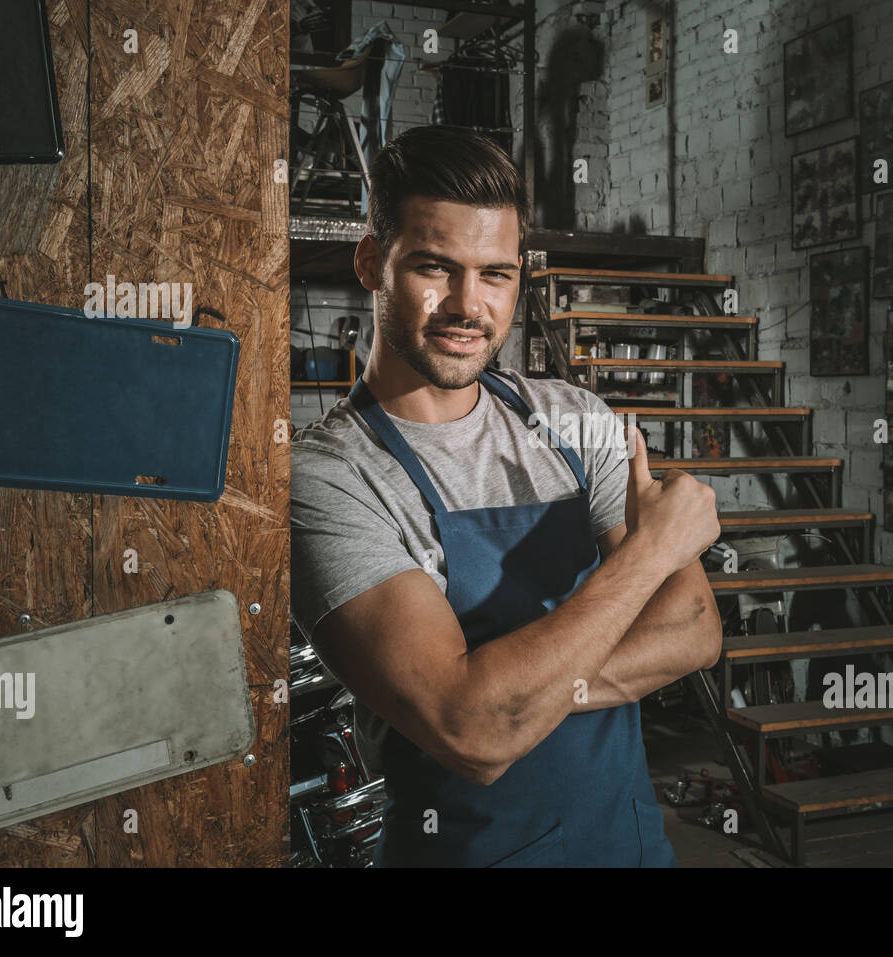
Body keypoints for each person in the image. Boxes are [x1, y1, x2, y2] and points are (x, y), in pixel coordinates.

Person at [290, 125, 722, 867]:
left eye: (495, 273)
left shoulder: (570, 419)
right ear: (372, 262)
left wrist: (514, 696)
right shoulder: (329, 479)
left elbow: (693, 630)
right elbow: (472, 733)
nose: (468, 304)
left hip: (628, 846)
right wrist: (649, 553)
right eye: (434, 266)